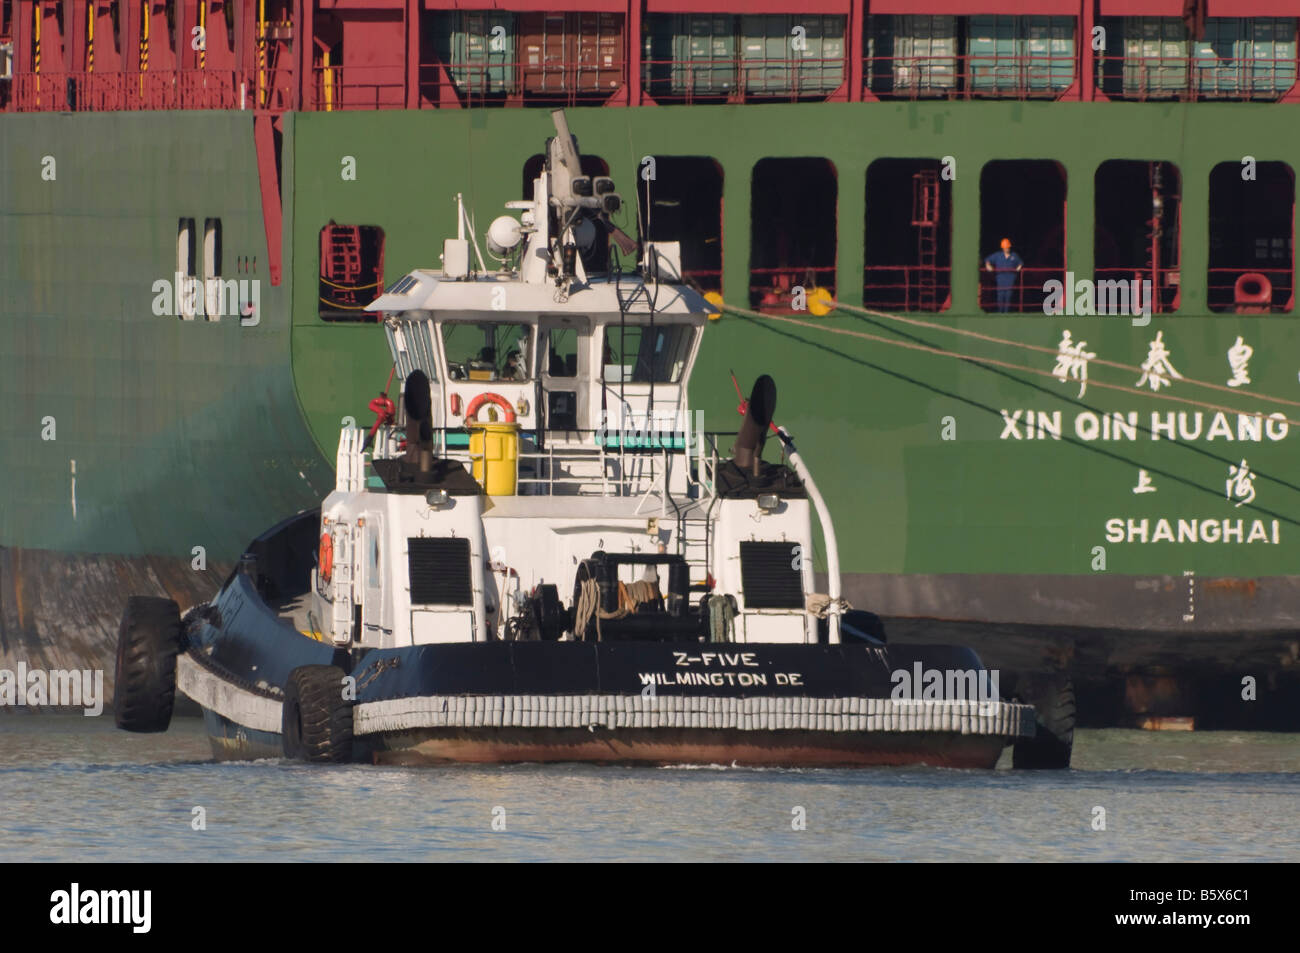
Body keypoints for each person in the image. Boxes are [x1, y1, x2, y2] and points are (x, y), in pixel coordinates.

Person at [983, 238, 1023, 313]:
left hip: (1010, 282)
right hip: (1000, 281)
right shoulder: (998, 255)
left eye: (1008, 247)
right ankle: (1000, 314)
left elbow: (1020, 262)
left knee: (1008, 299)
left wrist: (1018, 268)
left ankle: (1006, 315)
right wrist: (988, 265)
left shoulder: (1014, 256)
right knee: (1000, 299)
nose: (1007, 248)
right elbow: (987, 260)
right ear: (1002, 248)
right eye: (1005, 247)